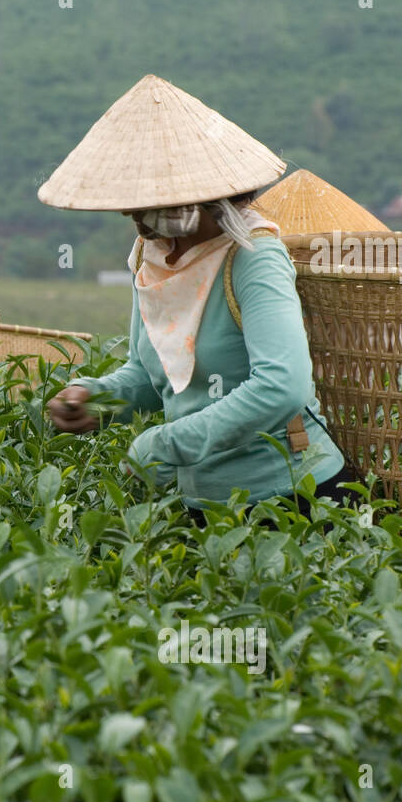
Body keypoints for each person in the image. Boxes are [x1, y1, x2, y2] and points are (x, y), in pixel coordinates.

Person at [38, 74, 356, 524]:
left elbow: (281, 386)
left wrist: (165, 444)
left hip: (291, 498)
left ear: (204, 200)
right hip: (202, 507)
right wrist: (96, 399)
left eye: (152, 208)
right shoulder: (150, 260)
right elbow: (156, 377)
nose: (138, 222)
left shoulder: (253, 258)